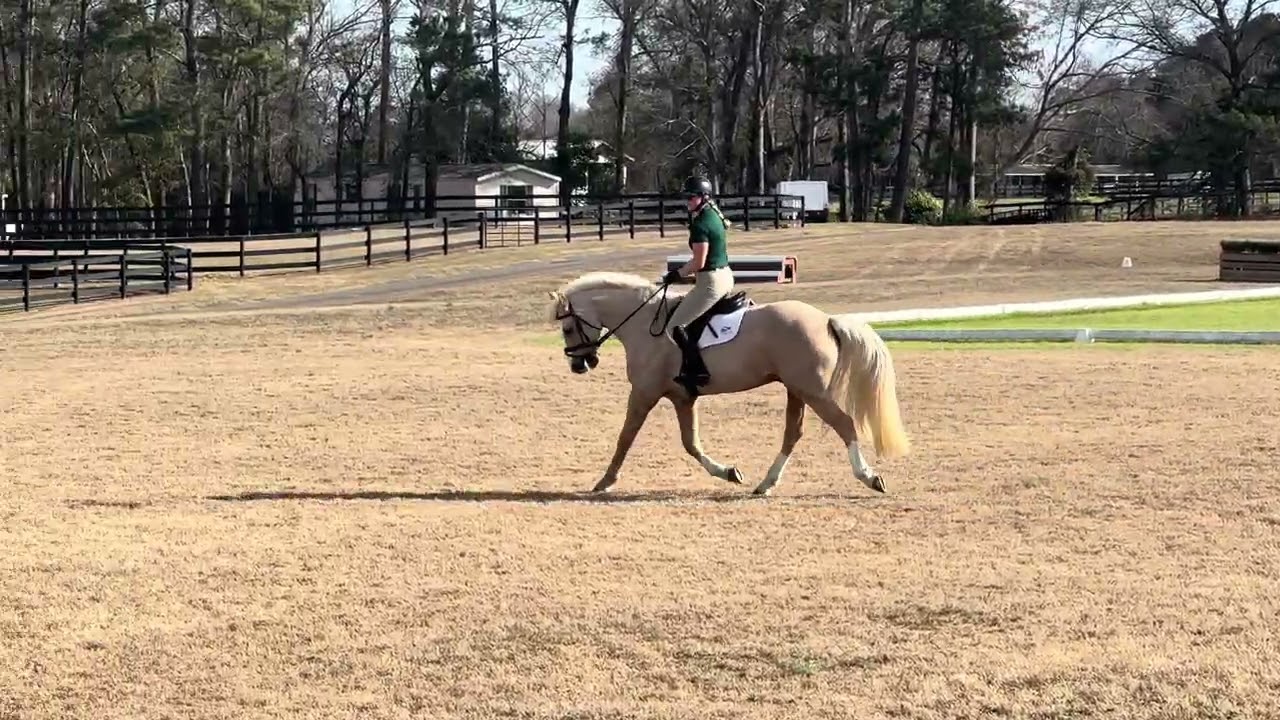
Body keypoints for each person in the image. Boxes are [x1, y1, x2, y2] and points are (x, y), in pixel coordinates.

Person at [661, 174, 734, 388]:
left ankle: (697, 372)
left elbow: (699, 262)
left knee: (675, 325)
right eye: (688, 198)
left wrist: (678, 274)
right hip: (725, 276)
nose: (688, 201)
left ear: (703, 197)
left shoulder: (701, 224)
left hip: (711, 283)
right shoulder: (713, 215)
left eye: (692, 198)